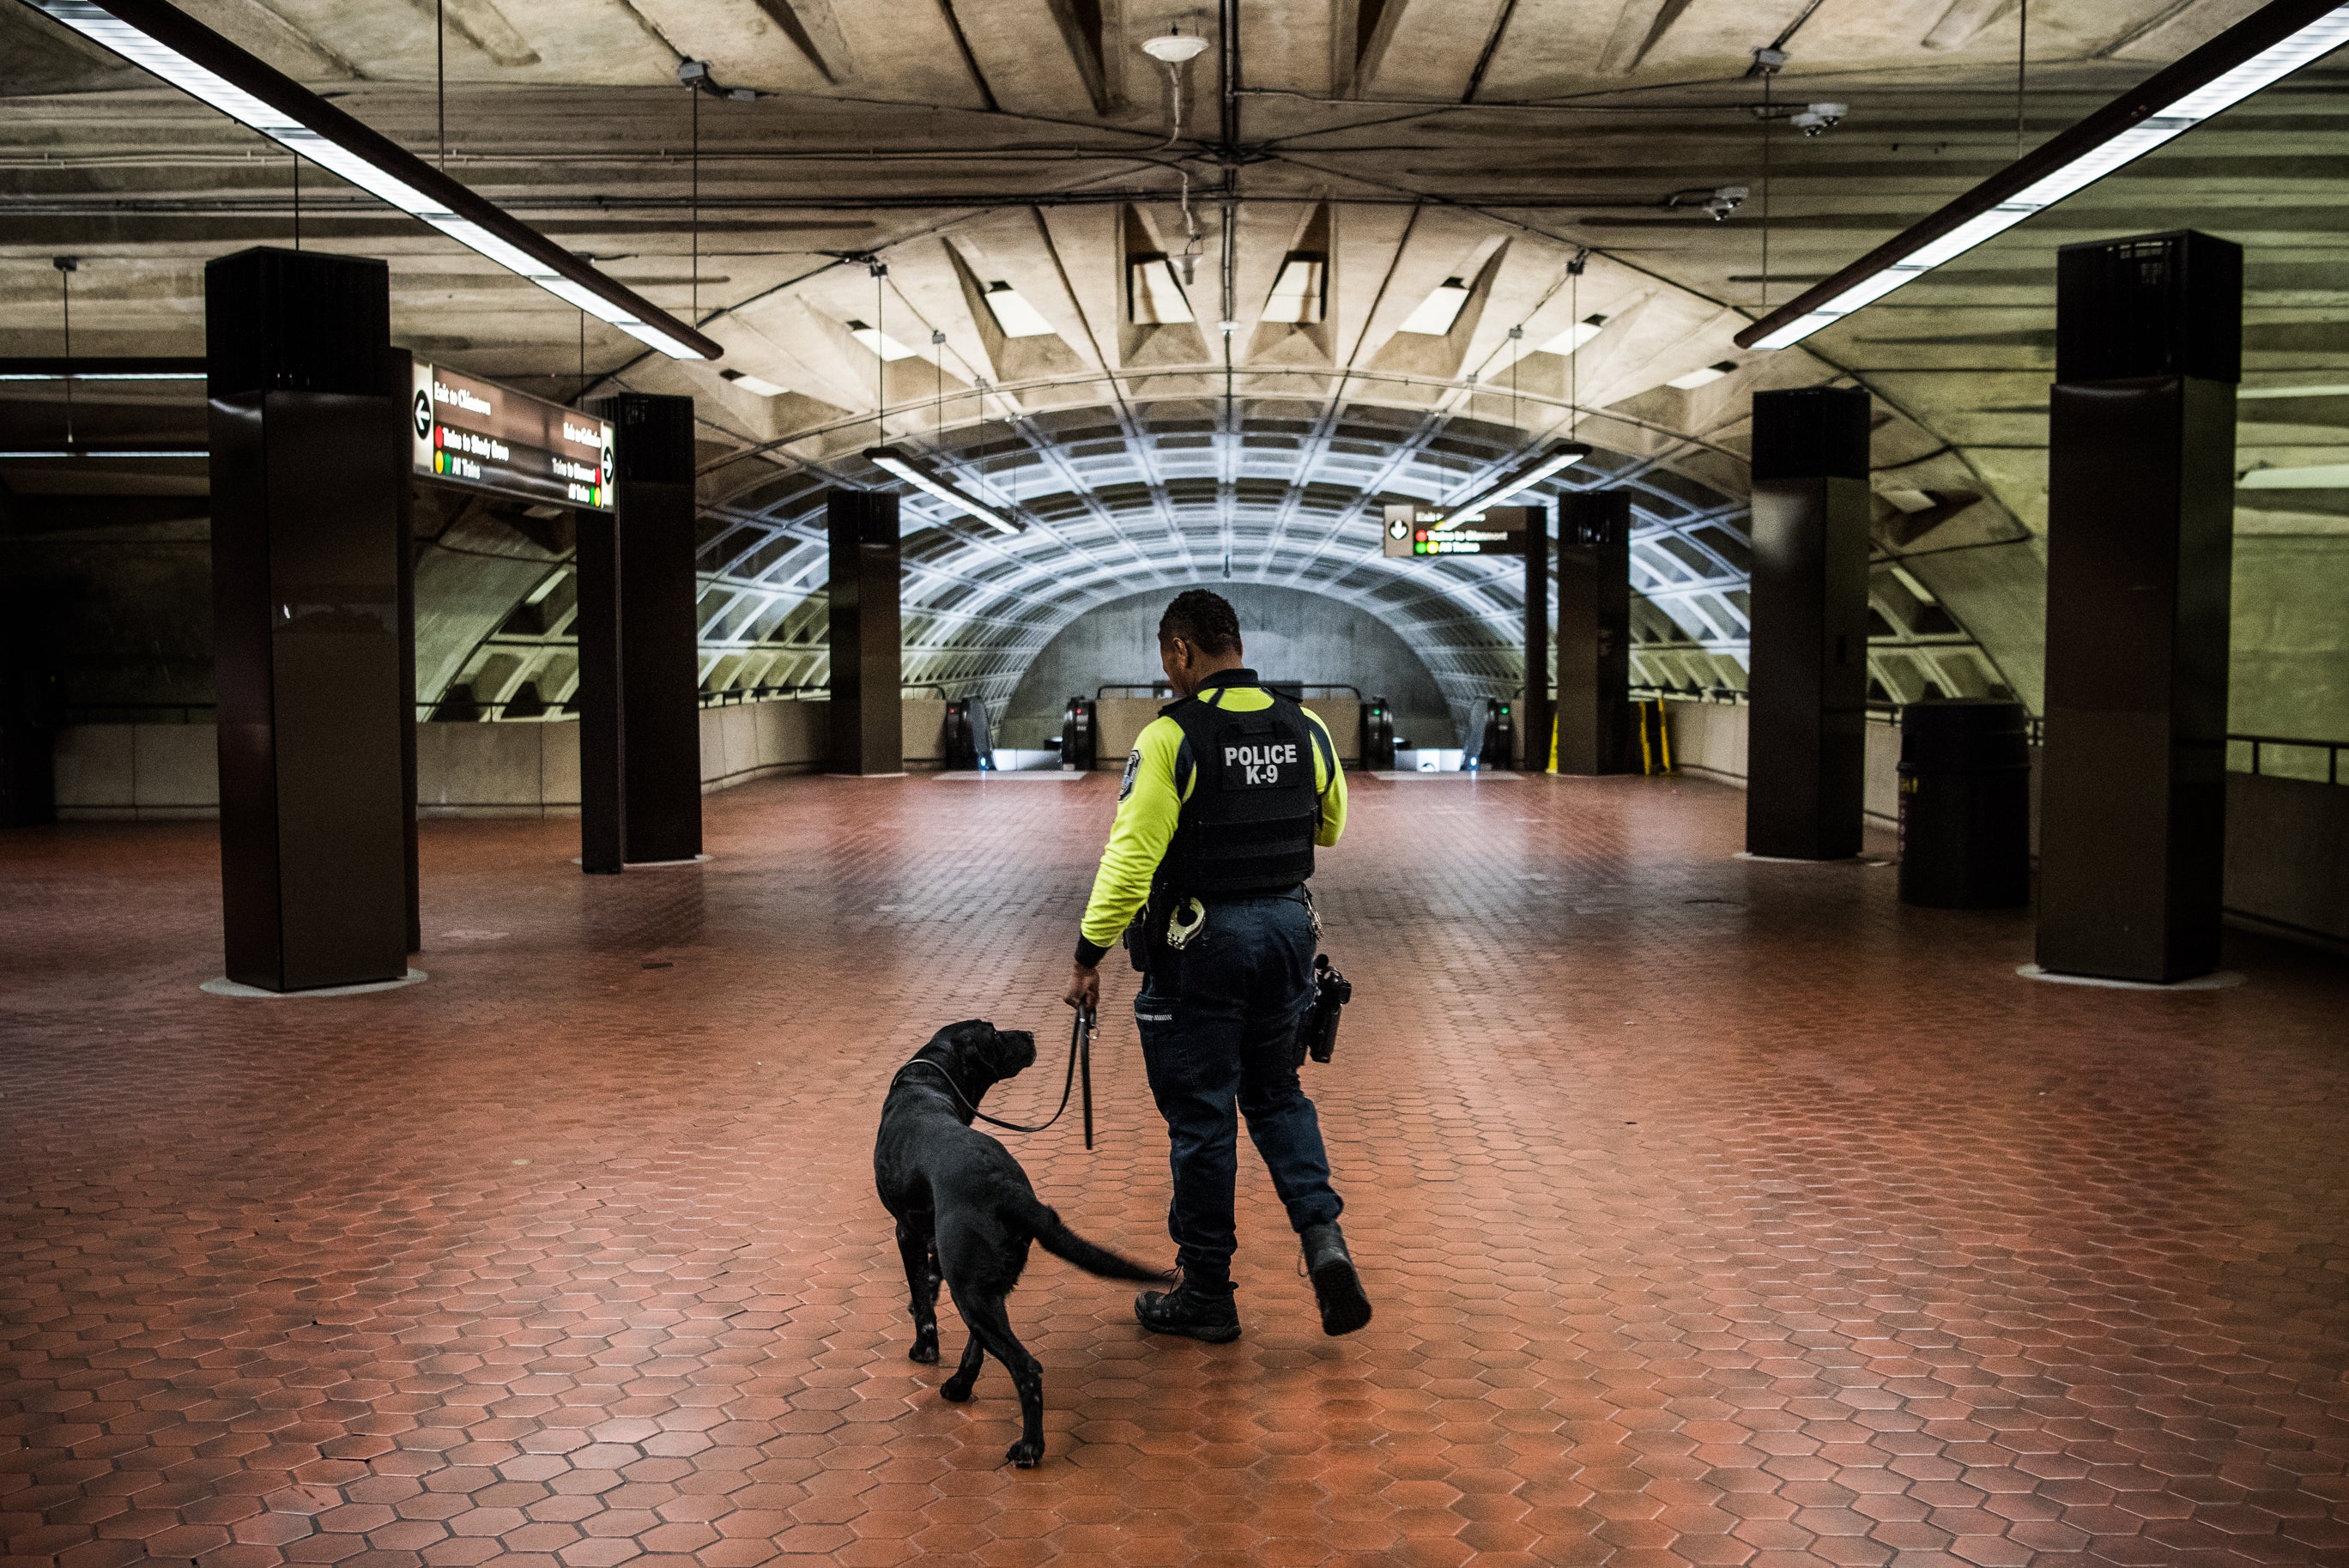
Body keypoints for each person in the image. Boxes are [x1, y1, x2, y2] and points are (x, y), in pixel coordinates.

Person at [1062, 589, 1371, 1342]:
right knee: (1277, 1094)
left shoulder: (1172, 735)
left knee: (1203, 1116)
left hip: (1201, 940)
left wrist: (1087, 952)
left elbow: (1131, 860)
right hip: (1288, 931)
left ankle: (1205, 1289)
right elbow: (1329, 827)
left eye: (1165, 659)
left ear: (1180, 651)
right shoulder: (1305, 726)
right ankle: (1323, 1239)